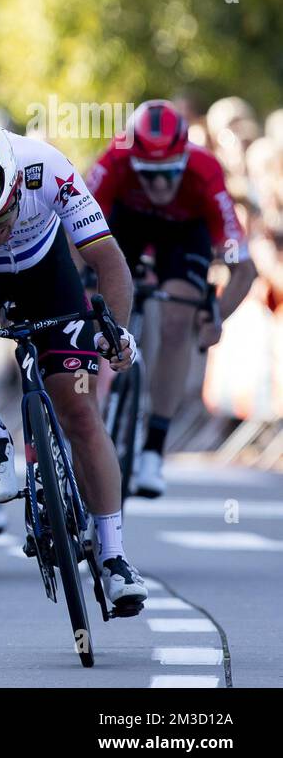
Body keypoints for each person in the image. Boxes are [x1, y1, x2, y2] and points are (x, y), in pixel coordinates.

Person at [0, 117, 147, 608]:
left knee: (79, 411)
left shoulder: (46, 166)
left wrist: (115, 331)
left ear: (17, 185)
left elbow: (108, 262)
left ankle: (115, 555)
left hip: (47, 270)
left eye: (2, 215)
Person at [86, 99, 256, 497]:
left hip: (184, 233)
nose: (160, 186)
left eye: (168, 175)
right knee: (97, 298)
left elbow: (243, 269)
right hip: (124, 225)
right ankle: (88, 408)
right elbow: (72, 231)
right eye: (149, 174)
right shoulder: (114, 158)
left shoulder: (205, 170)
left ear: (183, 159)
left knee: (180, 317)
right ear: (133, 160)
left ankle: (153, 449)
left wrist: (215, 318)